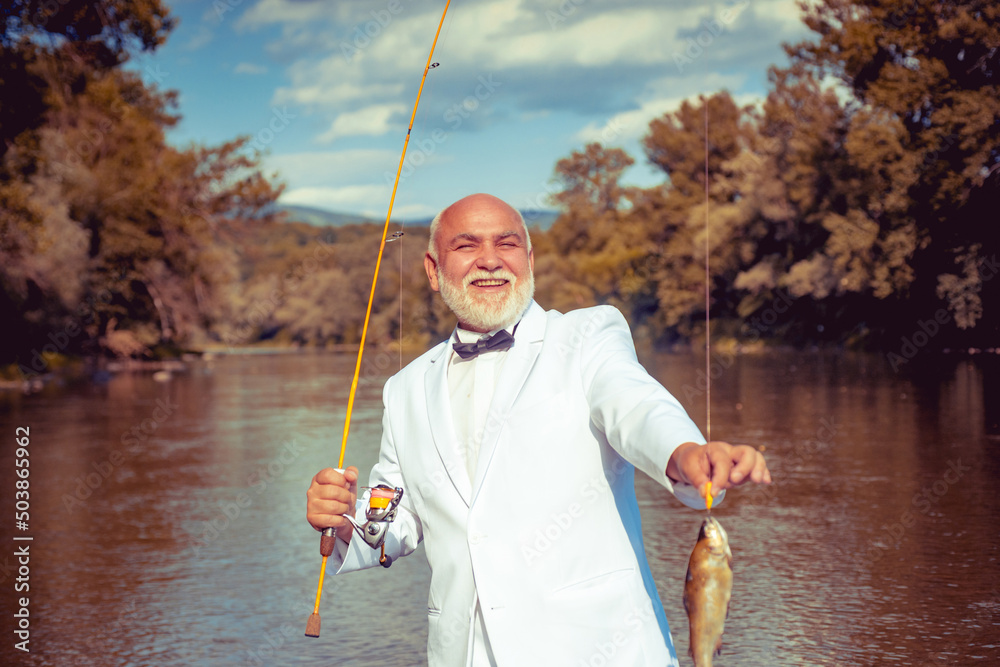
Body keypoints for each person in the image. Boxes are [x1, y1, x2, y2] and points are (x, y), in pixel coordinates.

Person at [306, 193, 771, 666]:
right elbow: (396, 513)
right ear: (433, 269)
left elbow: (636, 406)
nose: (490, 260)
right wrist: (346, 516)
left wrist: (683, 451)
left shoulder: (587, 336)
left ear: (528, 260)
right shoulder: (403, 389)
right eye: (467, 246)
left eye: (506, 244)